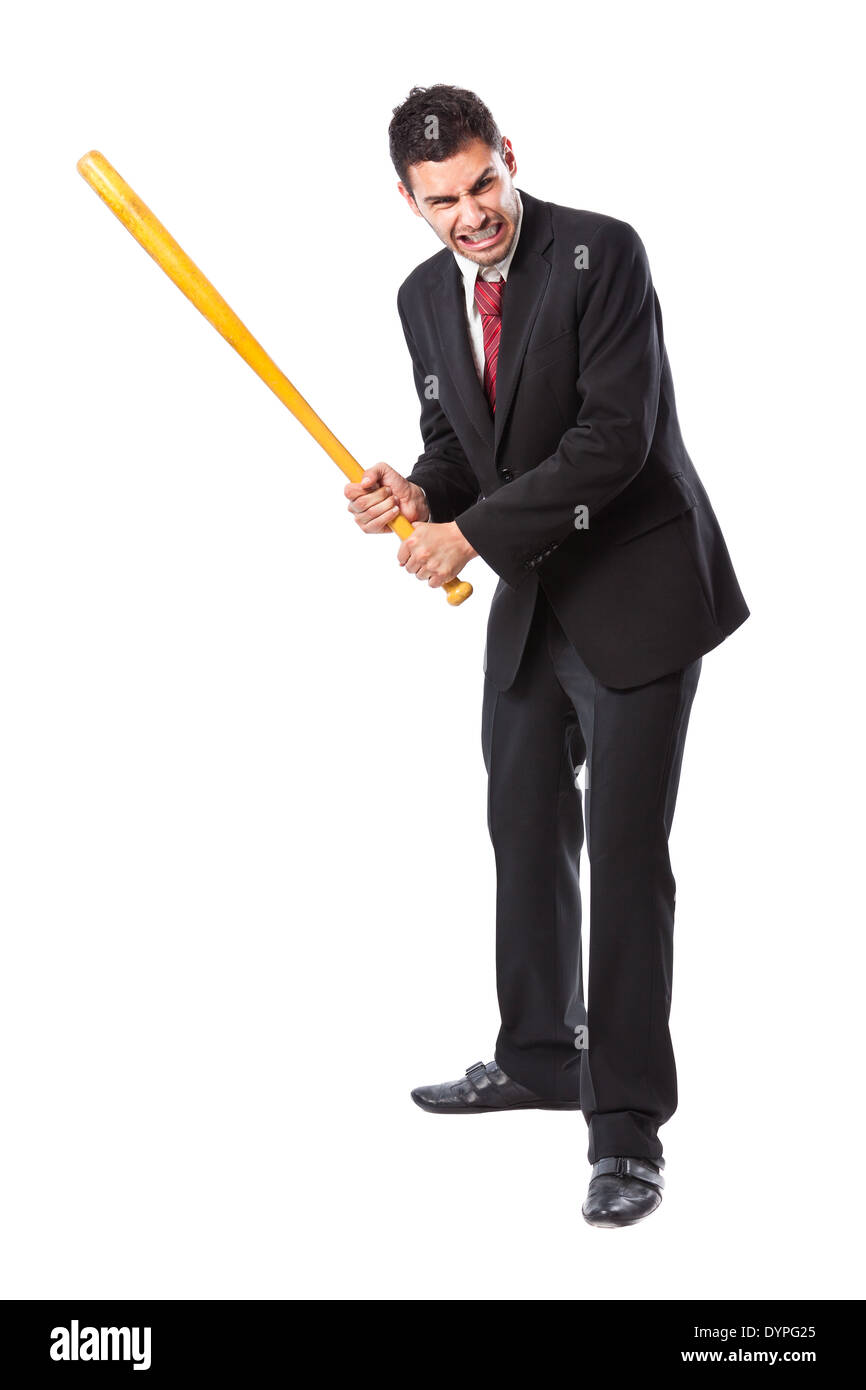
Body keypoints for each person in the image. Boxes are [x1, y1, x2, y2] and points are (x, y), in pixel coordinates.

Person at [345, 85, 749, 1227]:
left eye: (482, 183)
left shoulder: (601, 253)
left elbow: (611, 440)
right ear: (407, 200)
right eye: (442, 200)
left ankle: (623, 1130)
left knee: (624, 861)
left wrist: (465, 532)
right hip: (535, 600)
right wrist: (417, 493)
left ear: (507, 156)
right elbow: (459, 447)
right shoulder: (422, 295)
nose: (470, 214)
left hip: (640, 592)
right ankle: (535, 1054)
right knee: (520, 820)